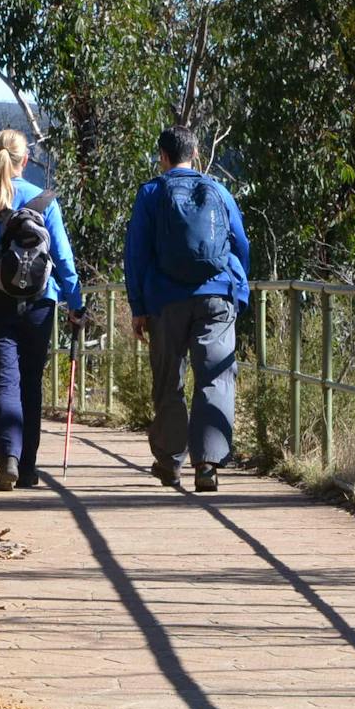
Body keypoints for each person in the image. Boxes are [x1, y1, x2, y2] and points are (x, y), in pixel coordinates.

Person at [0, 128, 87, 492]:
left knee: (3, 382)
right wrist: (76, 305)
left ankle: (7, 460)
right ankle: (27, 468)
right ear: (24, 160)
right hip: (40, 306)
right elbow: (62, 259)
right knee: (30, 383)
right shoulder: (44, 202)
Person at [123, 126, 250, 492]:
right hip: (217, 295)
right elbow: (240, 244)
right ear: (195, 154)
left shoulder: (150, 193)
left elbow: (136, 253)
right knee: (216, 375)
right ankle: (207, 464)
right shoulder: (219, 191)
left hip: (166, 298)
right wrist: (236, 290)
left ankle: (169, 462)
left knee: (169, 379)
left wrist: (138, 306)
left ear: (163, 156)